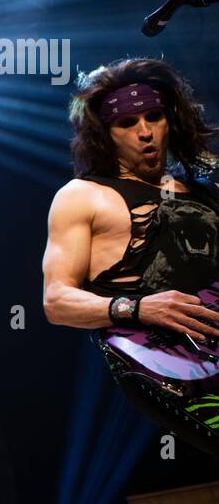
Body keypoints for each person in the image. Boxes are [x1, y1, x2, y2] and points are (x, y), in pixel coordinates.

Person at [42, 57, 219, 454]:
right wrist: (136, 308)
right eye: (127, 123)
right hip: (170, 361)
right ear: (104, 133)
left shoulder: (205, 190)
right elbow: (56, 301)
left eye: (154, 117)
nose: (145, 132)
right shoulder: (82, 196)